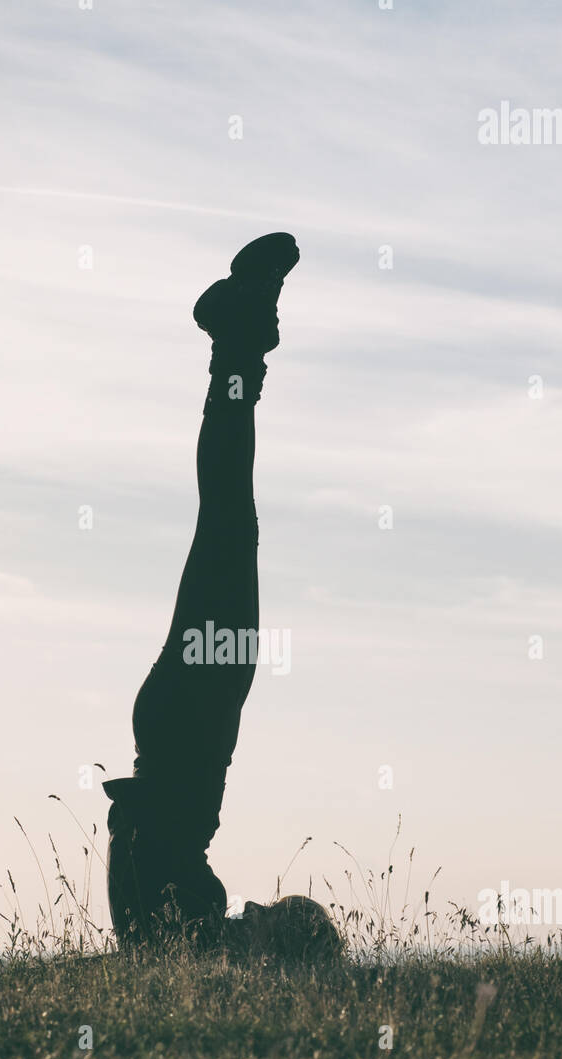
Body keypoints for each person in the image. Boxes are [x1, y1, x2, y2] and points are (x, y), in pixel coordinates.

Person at [103, 233, 339, 959]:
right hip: (181, 718)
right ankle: (240, 343)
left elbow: (152, 946)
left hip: (193, 717)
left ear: (281, 954)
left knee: (230, 523)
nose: (261, 902)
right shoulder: (195, 924)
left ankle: (239, 343)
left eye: (280, 915)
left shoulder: (196, 936)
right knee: (228, 523)